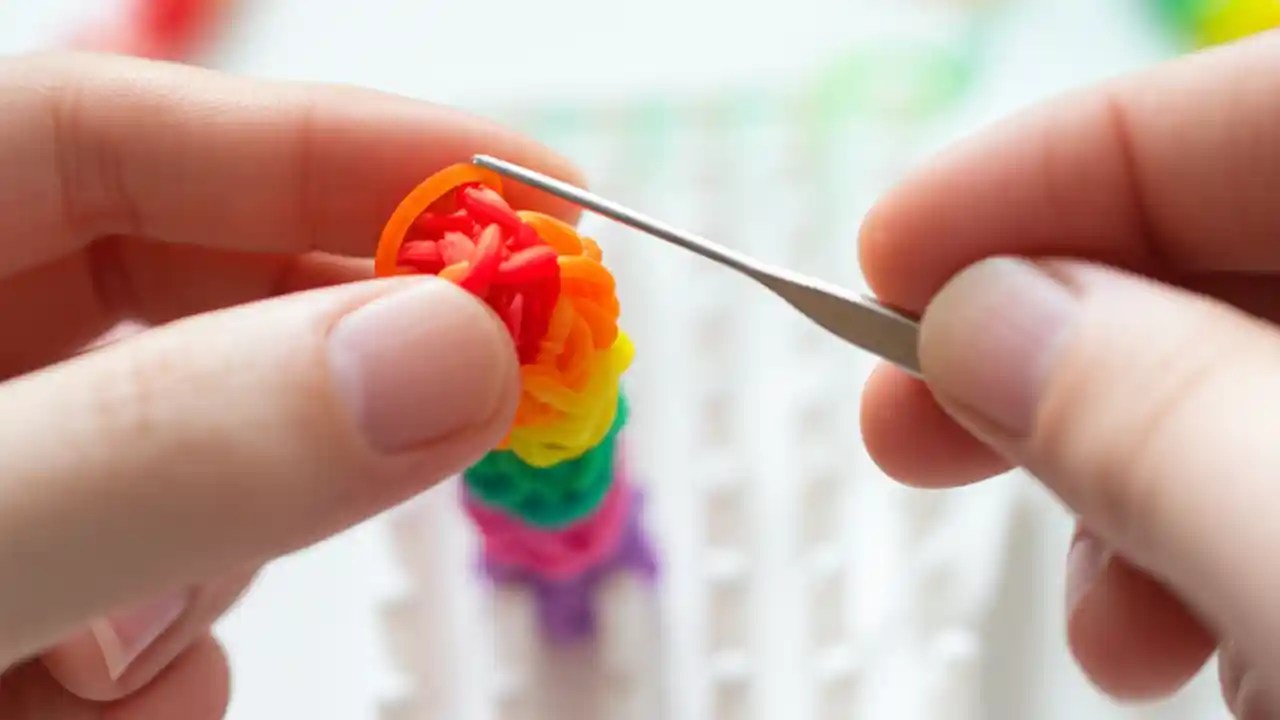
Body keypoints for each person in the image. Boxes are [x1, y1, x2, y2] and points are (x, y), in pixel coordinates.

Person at [0, 30, 1273, 715]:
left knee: (584, 535)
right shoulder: (499, 380)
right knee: (552, 543)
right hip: (526, 490)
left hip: (567, 478)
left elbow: (584, 364)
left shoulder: (571, 370)